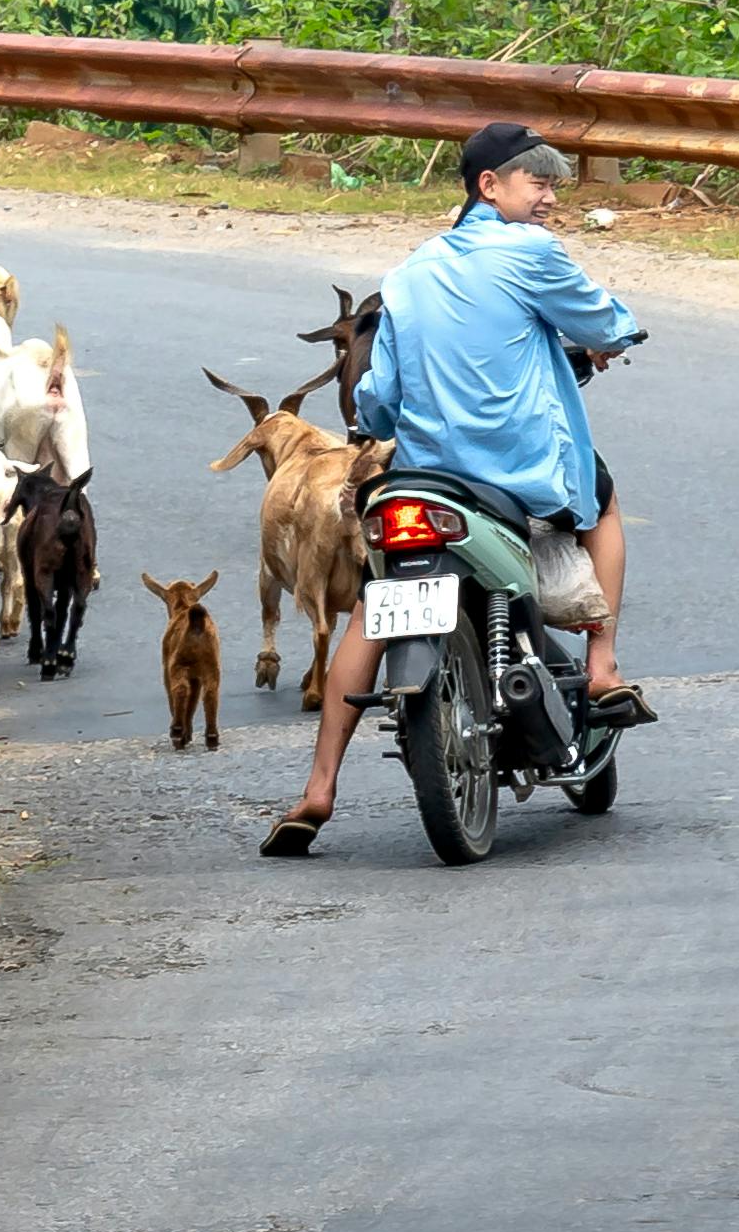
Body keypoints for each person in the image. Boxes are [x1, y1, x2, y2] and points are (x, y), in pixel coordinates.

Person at [267, 120, 646, 854]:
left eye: (552, 184)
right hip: (517, 474)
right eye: (537, 182)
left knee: (369, 614)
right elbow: (607, 320)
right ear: (489, 185)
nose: (549, 197)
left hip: (422, 475)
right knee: (600, 502)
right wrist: (612, 336)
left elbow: (376, 401)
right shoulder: (531, 253)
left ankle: (316, 788)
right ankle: (601, 668)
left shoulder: (408, 273)